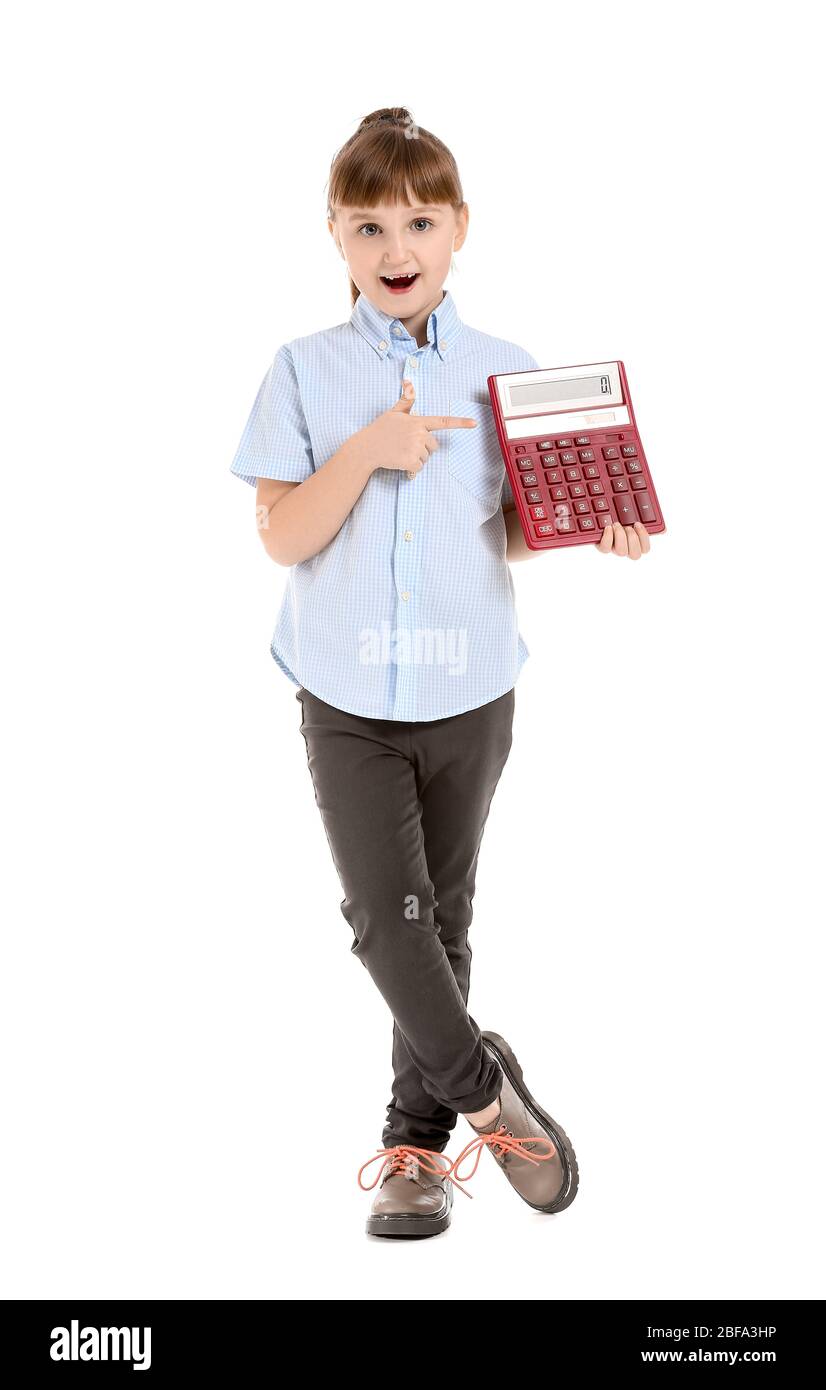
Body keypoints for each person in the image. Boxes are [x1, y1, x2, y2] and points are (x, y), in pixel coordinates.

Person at [229, 106, 651, 1240]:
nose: (394, 246)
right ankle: (485, 1094)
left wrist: (588, 526)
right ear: (334, 233)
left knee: (442, 919)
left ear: (458, 227)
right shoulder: (304, 372)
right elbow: (281, 536)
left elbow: (503, 528)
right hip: (347, 698)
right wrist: (368, 448)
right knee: (384, 917)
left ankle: (412, 1151)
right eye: (367, 225)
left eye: (418, 219)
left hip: (472, 690)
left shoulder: (501, 368)